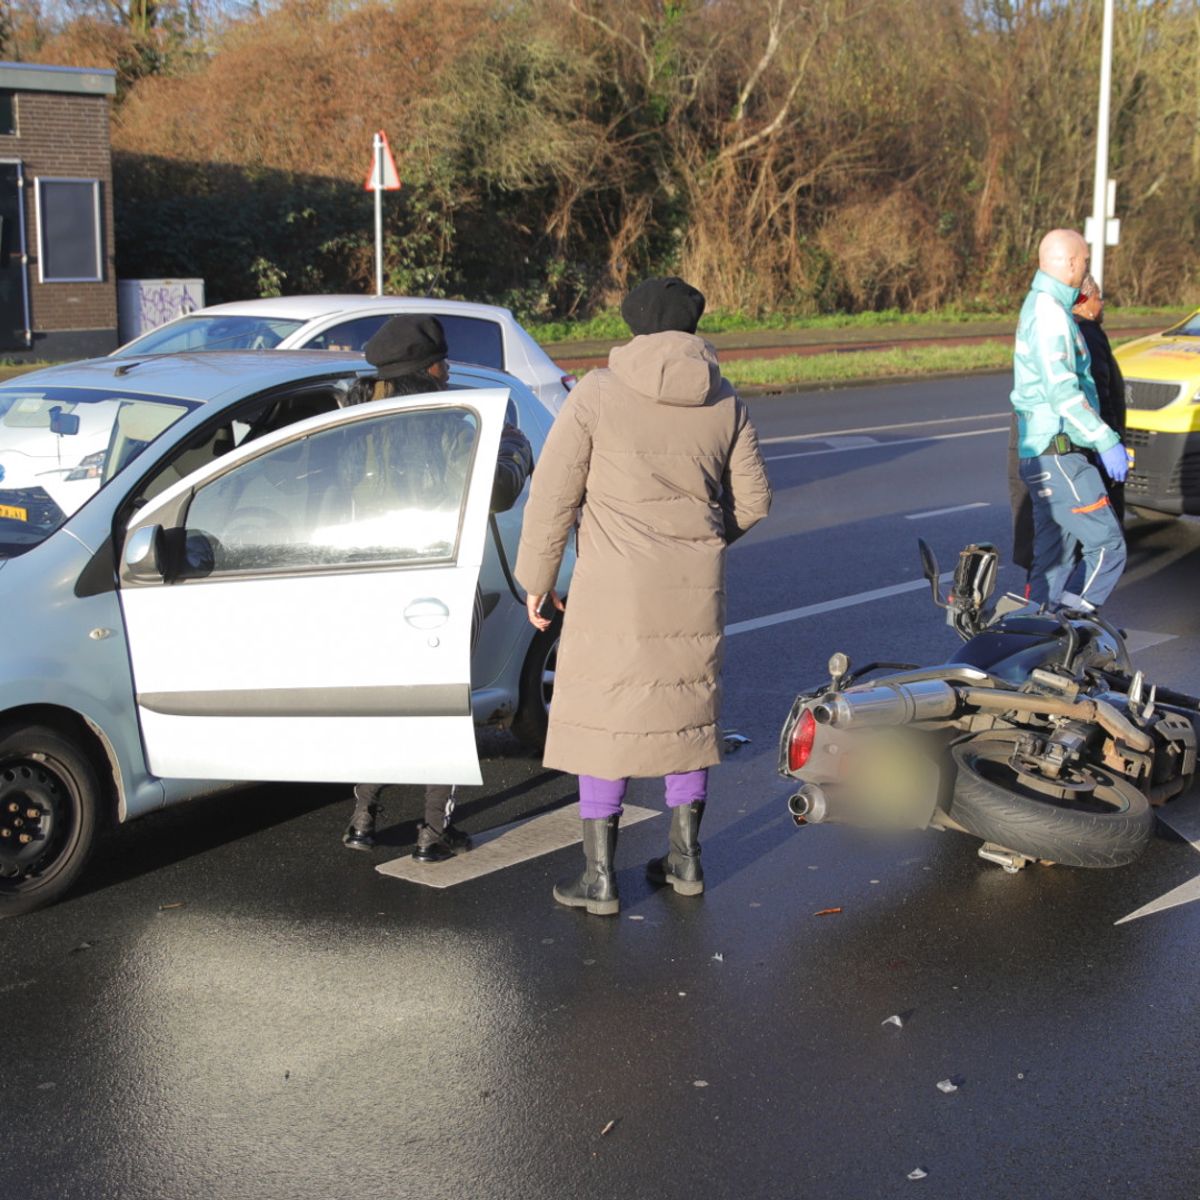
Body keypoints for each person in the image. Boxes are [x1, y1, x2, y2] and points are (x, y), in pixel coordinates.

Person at [514, 276, 772, 917]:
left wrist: (537, 580)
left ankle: (599, 878)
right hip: (692, 586)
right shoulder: (726, 400)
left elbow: (553, 494)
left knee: (607, 720)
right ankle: (685, 861)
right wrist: (704, 541)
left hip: (613, 588)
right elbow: (756, 501)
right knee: (685, 715)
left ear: (633, 325)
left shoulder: (598, 394)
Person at [340, 314, 533, 861]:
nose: (449, 371)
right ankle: (433, 829)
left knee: (385, 702)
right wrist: (512, 445)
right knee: (443, 703)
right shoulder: (450, 423)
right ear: (429, 368)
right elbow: (498, 491)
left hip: (367, 580)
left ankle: (362, 817)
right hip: (436, 586)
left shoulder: (352, 420)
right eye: (443, 362)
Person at [1010, 230, 1128, 612]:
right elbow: (1064, 392)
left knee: (1054, 563)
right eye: (1086, 260)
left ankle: (1034, 644)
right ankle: (1074, 629)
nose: (1087, 267)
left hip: (1043, 456)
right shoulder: (1050, 314)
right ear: (1073, 263)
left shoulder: (1044, 306)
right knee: (1108, 547)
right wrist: (1105, 440)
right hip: (1060, 456)